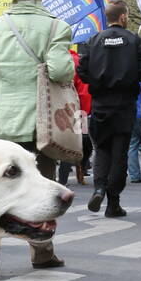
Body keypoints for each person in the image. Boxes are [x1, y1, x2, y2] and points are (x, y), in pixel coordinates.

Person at [0, 0, 75, 273]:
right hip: (37, 124)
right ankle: (42, 253)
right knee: (42, 192)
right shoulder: (56, 27)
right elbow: (61, 71)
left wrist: (0, 100)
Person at [77, 0, 141, 218]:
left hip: (100, 104)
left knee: (102, 151)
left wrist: (97, 82)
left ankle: (99, 188)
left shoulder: (93, 41)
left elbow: (81, 70)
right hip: (124, 105)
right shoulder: (135, 41)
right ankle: (113, 202)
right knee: (120, 155)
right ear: (124, 16)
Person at [56, 43, 91, 186]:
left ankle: (56, 179)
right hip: (76, 111)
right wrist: (84, 113)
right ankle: (71, 177)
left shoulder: (45, 59)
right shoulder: (75, 61)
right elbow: (84, 92)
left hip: (52, 109)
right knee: (75, 143)